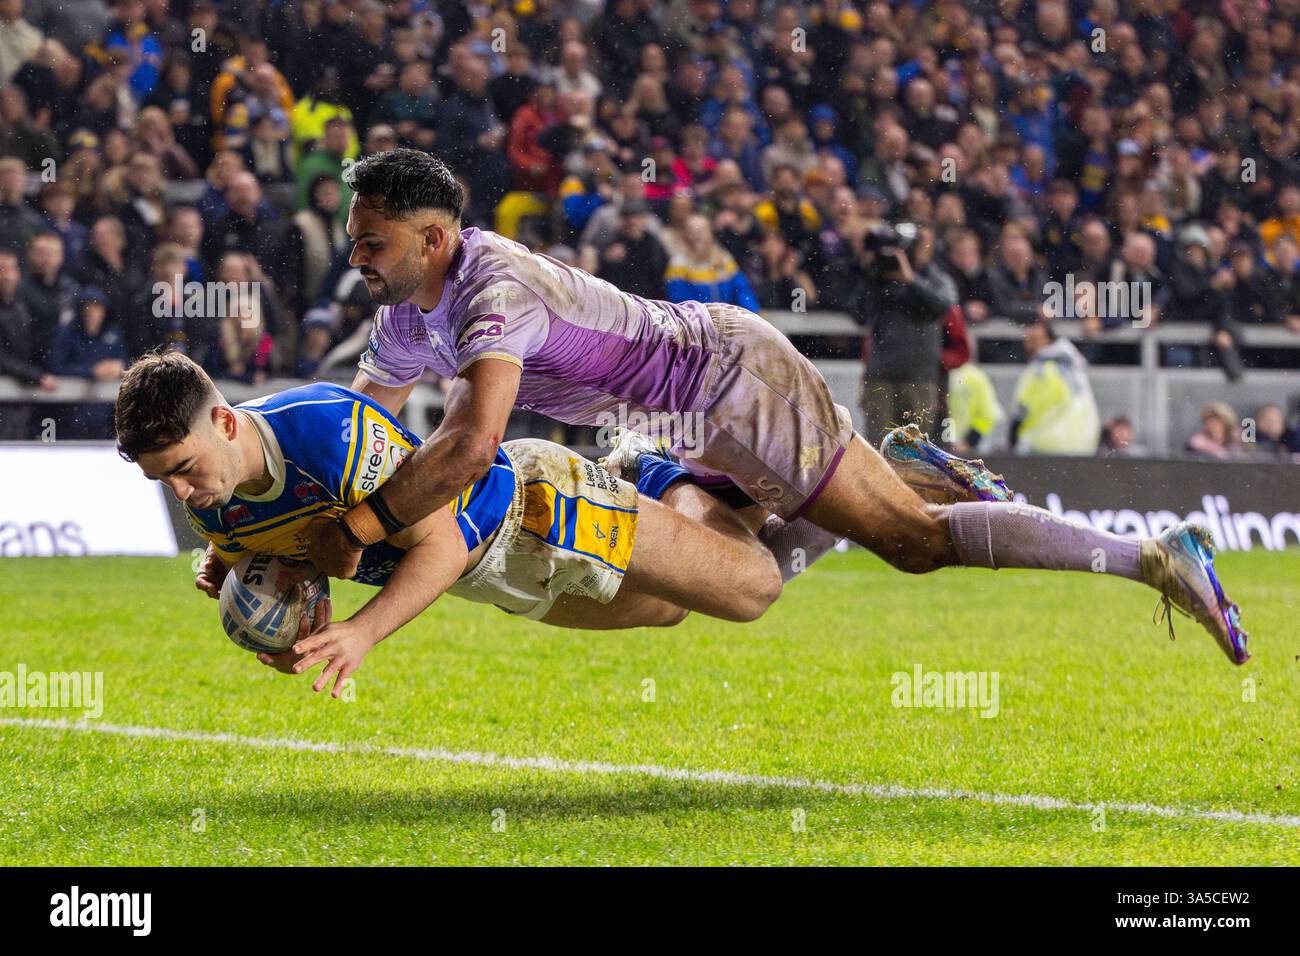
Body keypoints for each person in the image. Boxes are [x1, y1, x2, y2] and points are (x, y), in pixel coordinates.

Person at [204, 149, 1247, 666]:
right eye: (351, 239)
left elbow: (470, 443)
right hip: (670, 421)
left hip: (729, 382)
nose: (356, 258)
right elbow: (356, 441)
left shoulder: (493, 287)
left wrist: (349, 535)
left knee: (917, 546)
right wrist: (271, 532)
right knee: (701, 579)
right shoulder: (400, 321)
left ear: (434, 238)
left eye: (371, 242)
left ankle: (1155, 553)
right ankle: (888, 458)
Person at [116, 353, 785, 694]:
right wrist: (287, 614)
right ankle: (679, 480)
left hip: (535, 514)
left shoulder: (327, 437)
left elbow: (442, 542)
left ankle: (657, 466)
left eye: (182, 466)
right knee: (669, 610)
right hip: (494, 578)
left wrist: (360, 633)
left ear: (226, 422)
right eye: (160, 480)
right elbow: (294, 555)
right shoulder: (213, 496)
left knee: (753, 586)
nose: (179, 490)